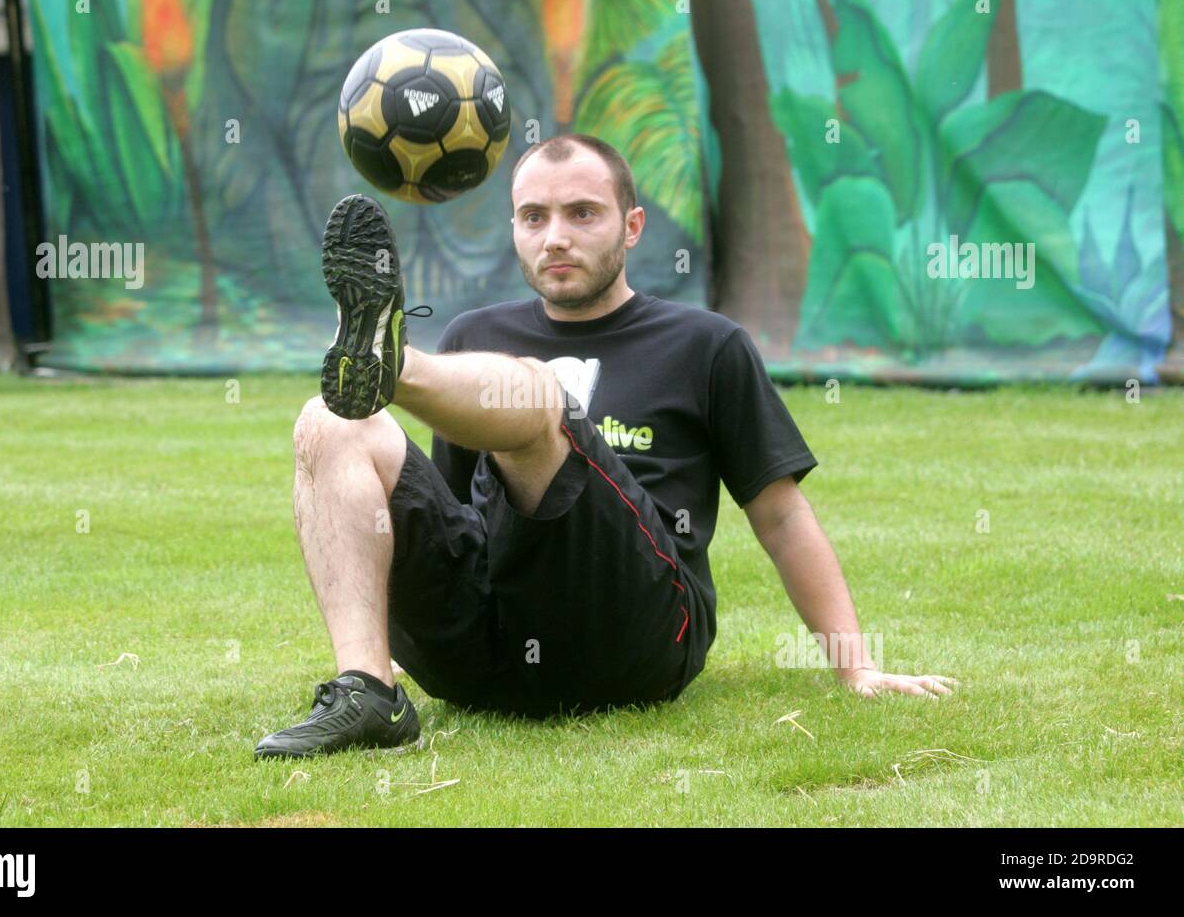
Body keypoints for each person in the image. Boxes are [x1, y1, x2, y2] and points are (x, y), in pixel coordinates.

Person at [253, 134, 957, 759]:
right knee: (328, 419)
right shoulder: (474, 331)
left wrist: (854, 664)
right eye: (534, 217)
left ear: (632, 226)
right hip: (487, 652)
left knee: (538, 400)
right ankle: (367, 692)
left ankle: (393, 366)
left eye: (581, 213)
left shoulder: (706, 345)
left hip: (635, 637)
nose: (555, 236)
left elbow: (780, 516)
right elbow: (443, 515)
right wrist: (392, 636)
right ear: (514, 231)